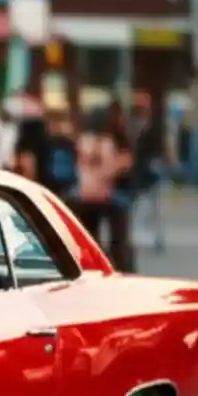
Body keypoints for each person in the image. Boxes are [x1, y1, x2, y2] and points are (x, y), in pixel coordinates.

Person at [76, 103, 136, 272]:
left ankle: (92, 265)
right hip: (107, 194)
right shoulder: (109, 141)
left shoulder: (83, 140)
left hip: (84, 195)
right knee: (119, 237)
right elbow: (113, 169)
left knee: (89, 235)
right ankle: (123, 266)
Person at [130, 93, 168, 253]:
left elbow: (160, 146)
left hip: (150, 168)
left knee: (152, 206)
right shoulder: (136, 126)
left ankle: (155, 237)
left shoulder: (151, 126)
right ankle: (147, 236)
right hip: (143, 169)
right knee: (144, 205)